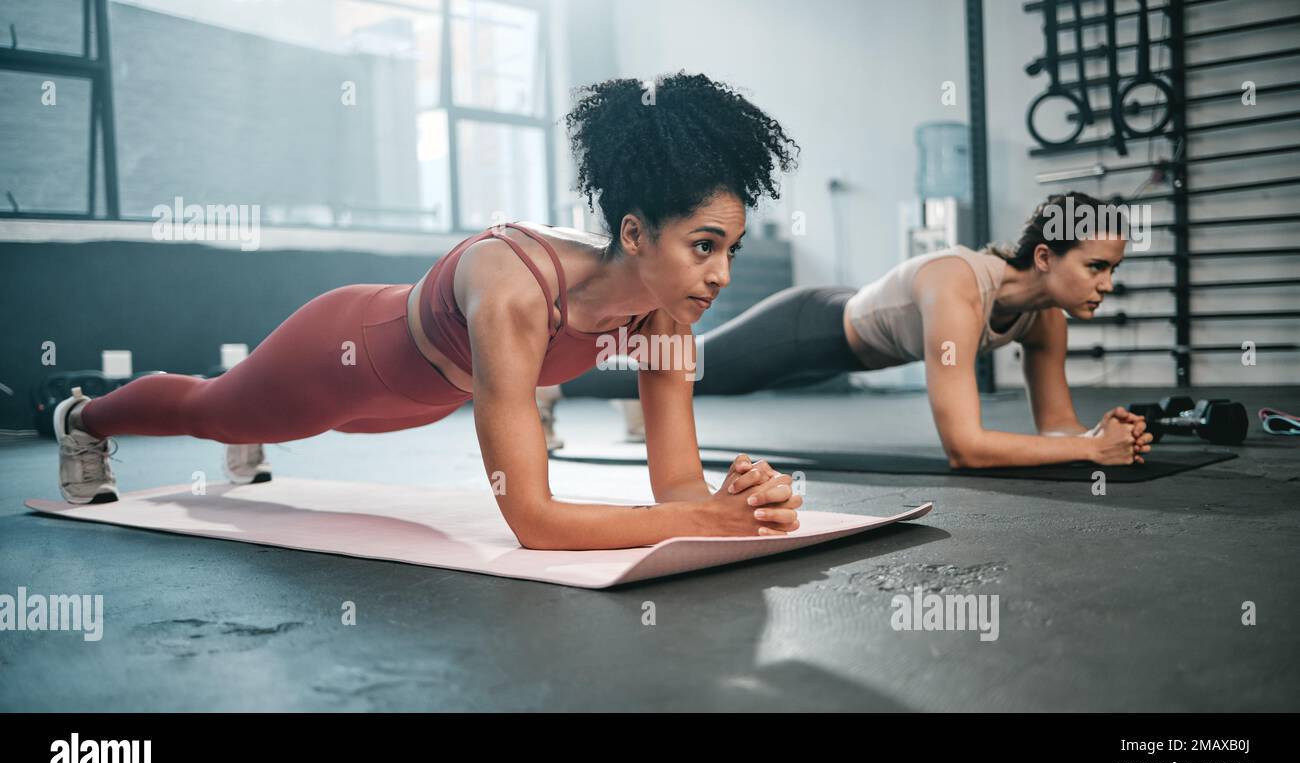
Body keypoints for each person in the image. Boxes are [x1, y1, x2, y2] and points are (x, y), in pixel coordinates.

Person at [53, 71, 805, 549]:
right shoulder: (517, 287)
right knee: (214, 407)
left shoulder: (668, 315)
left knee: (263, 420)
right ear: (635, 233)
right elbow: (534, 521)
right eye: (704, 246)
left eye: (731, 250)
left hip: (418, 400)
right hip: (340, 356)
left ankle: (248, 437)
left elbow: (675, 488)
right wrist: (702, 520)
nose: (721, 274)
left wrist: (730, 500)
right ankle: (82, 420)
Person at [538, 191, 1154, 468]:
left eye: (1112, 270)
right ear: (1045, 257)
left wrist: (1099, 434)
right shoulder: (959, 285)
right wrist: (1086, 449)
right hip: (810, 326)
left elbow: (1058, 428)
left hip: (849, 340)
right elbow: (967, 448)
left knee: (694, 373)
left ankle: (620, 399)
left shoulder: (1044, 319)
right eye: (1095, 267)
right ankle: (555, 389)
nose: (1106, 283)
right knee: (696, 370)